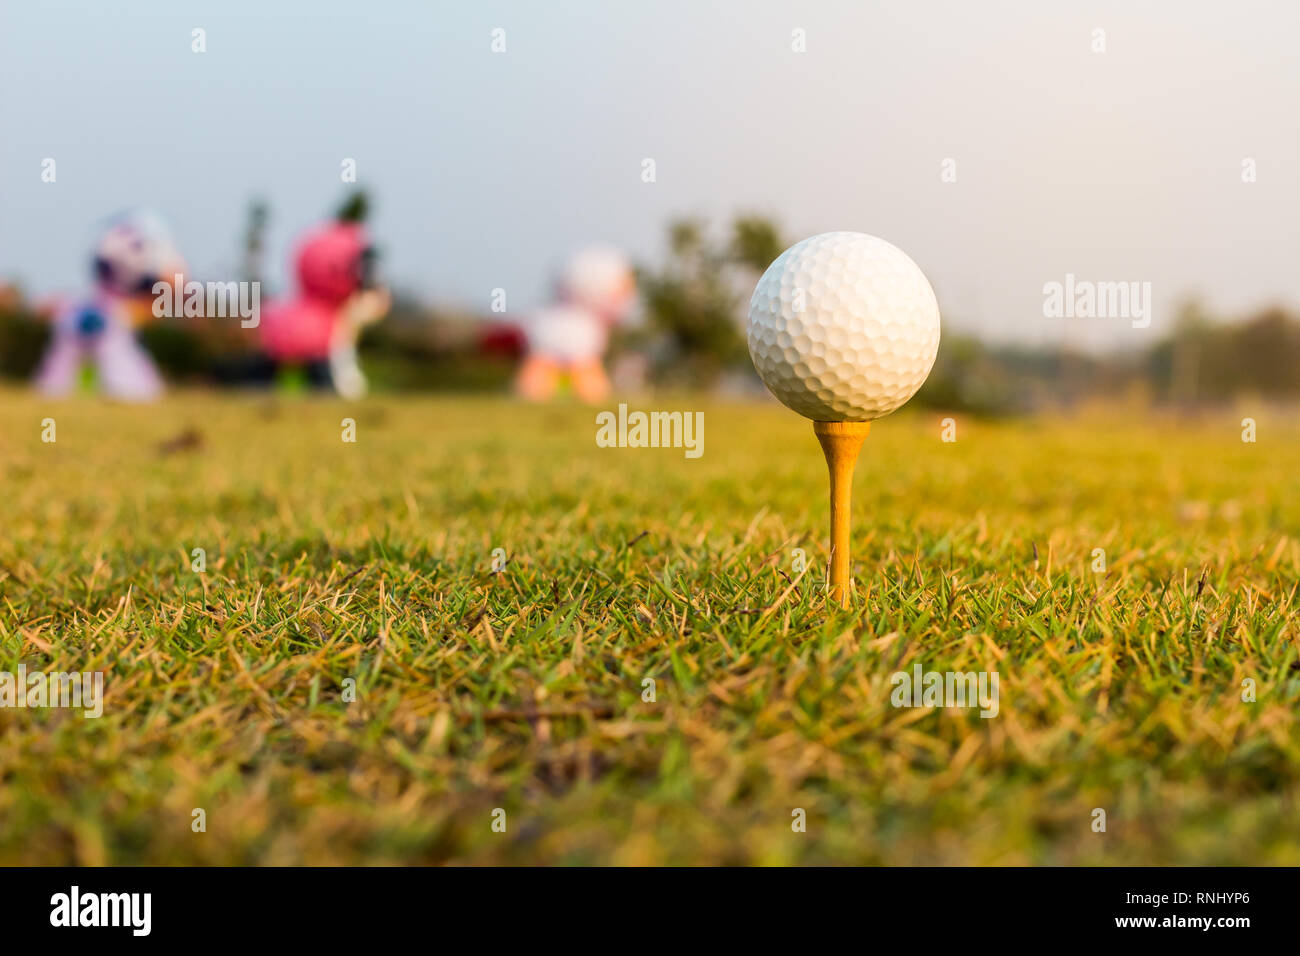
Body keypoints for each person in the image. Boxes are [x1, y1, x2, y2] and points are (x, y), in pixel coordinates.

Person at [34, 211, 184, 401]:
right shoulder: (136, 254)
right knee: (119, 366)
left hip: (103, 316)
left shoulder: (126, 257)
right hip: (107, 322)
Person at [515, 246, 636, 403]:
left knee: (541, 369)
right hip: (578, 338)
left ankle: (535, 395)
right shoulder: (586, 327)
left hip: (547, 333)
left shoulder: (556, 318)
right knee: (586, 373)